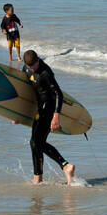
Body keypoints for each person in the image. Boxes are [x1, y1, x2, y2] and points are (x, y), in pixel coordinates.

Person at [21, 50, 75, 185]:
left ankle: (38, 178)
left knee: (35, 142)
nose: (33, 68)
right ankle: (65, 166)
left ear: (38, 59)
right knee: (38, 143)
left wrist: (56, 117)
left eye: (34, 65)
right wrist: (18, 113)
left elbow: (58, 94)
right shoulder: (25, 69)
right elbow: (25, 90)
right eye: (30, 67)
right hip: (38, 108)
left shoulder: (46, 73)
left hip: (48, 109)